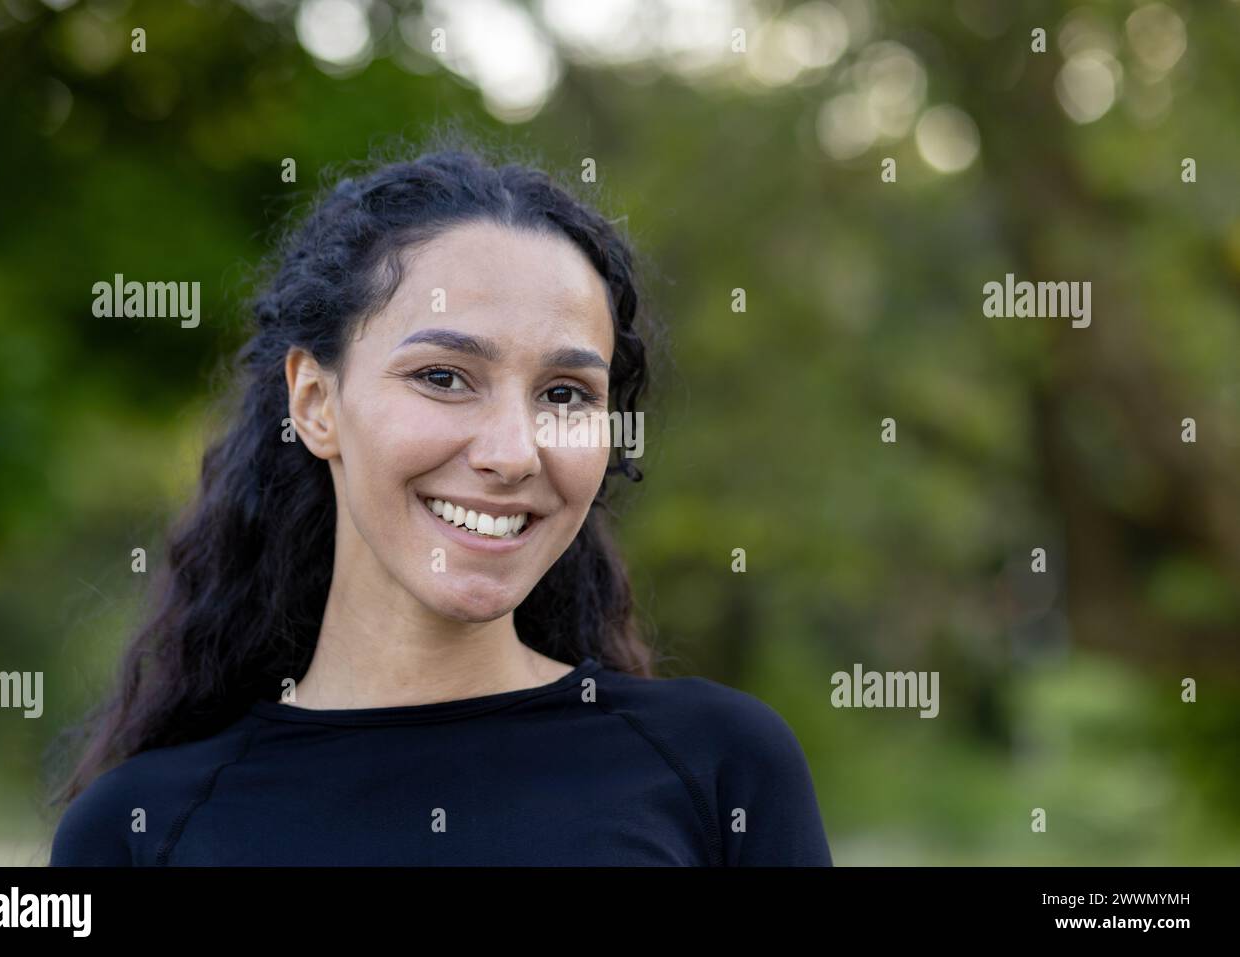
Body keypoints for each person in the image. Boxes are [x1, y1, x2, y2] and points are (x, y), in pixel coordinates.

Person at [46, 135, 831, 866]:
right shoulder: (139, 831)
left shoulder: (719, 768)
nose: (512, 452)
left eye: (564, 392)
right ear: (316, 402)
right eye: (443, 377)